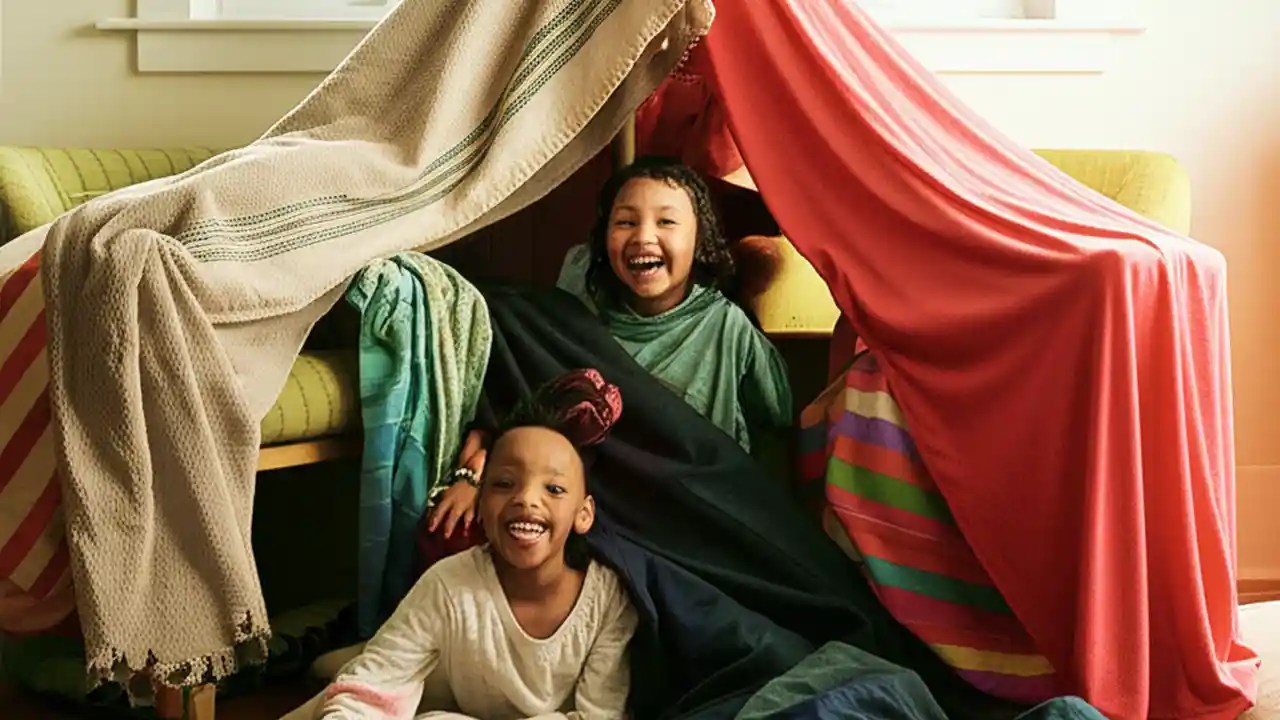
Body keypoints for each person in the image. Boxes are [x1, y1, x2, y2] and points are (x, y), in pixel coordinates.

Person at [428, 157, 791, 539]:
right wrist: (472, 475)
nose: (643, 238)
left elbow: (774, 437)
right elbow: (522, 416)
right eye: (626, 222)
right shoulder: (572, 325)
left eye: (666, 221)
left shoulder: (727, 328)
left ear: (699, 238)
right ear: (604, 238)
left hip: (698, 522)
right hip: (593, 520)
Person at [299, 370, 636, 720]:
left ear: (583, 514)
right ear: (481, 501)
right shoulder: (448, 583)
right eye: (504, 483)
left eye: (553, 489)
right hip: (432, 681)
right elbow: (370, 687)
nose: (525, 499)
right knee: (336, 691)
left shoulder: (607, 601)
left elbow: (601, 715)